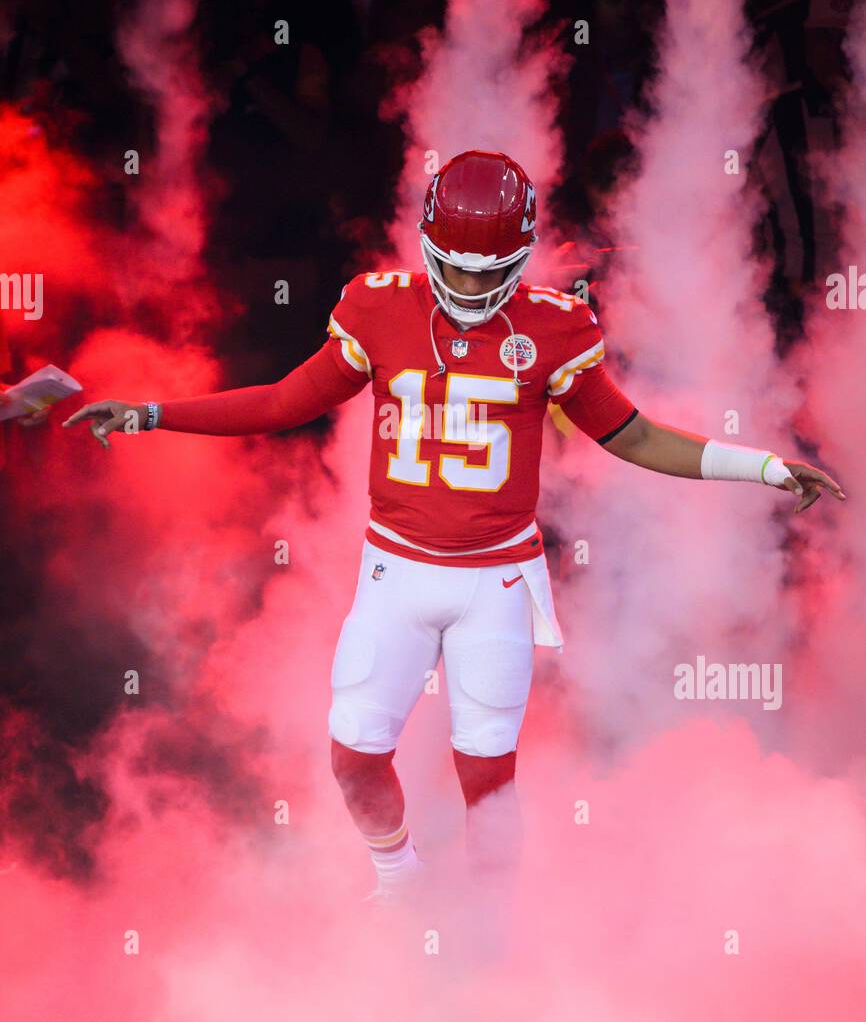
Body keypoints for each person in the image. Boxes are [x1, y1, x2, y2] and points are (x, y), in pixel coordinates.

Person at [64, 152, 845, 899]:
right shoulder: (378, 306)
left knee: (488, 777)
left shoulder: (556, 327)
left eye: (490, 267)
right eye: (458, 263)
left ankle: (487, 923)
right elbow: (281, 403)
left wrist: (765, 468)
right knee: (354, 756)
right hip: (394, 569)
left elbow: (632, 435)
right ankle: (400, 885)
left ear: (524, 254)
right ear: (427, 243)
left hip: (495, 579)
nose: (471, 281)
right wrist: (150, 413)